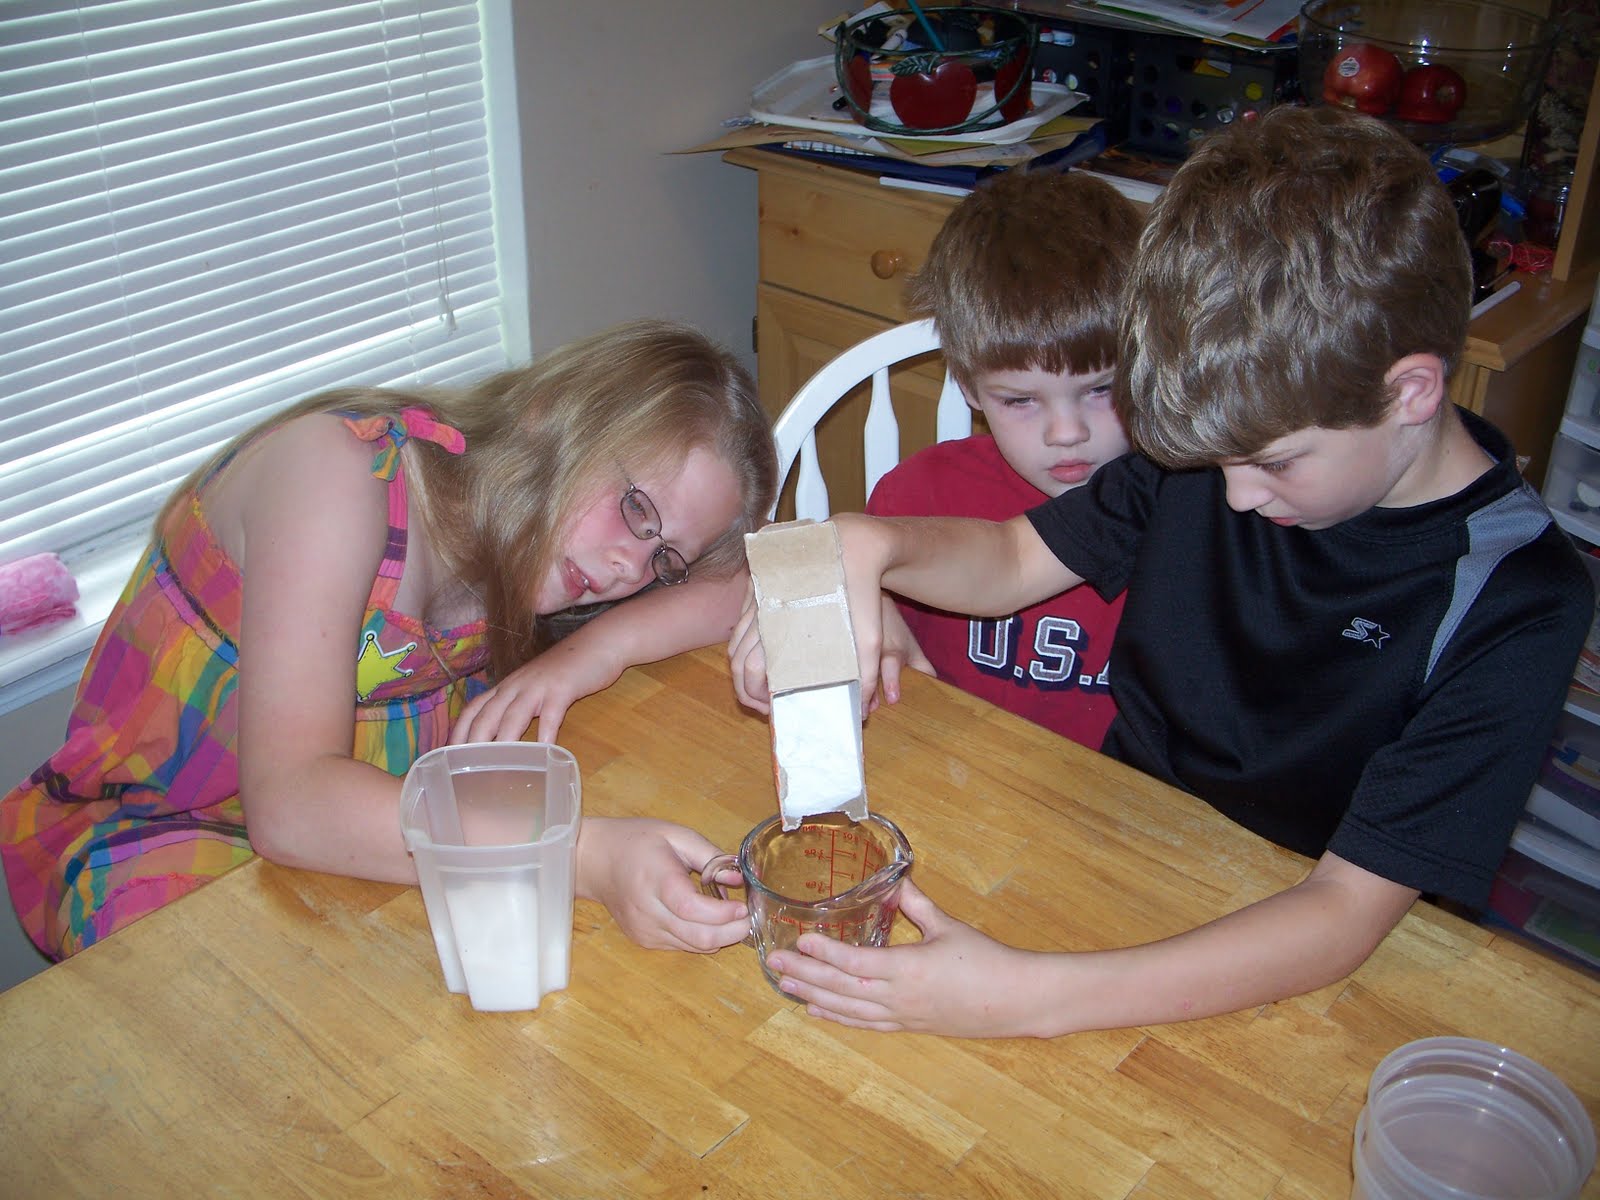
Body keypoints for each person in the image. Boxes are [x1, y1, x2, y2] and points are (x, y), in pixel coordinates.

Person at [728, 106, 1594, 1039]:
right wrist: (869, 541)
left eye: (1273, 463)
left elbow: (1344, 912)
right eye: (1210, 460)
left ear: (1410, 392)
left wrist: (1030, 1000)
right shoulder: (1222, 446)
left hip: (1296, 953)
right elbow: (1017, 557)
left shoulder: (1520, 600)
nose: (1231, 498)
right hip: (1116, 850)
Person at [2, 319, 778, 960]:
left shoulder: (540, 542)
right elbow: (294, 805)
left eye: (662, 558)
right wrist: (580, 856)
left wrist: (593, 652)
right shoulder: (334, 476)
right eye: (636, 510)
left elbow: (752, 581)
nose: (627, 567)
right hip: (157, 839)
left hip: (376, 831)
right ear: (550, 413)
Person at [866, 168, 1140, 748]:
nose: (1066, 433)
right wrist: (872, 608)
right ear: (967, 386)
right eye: (1019, 400)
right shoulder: (914, 500)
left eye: (1100, 389)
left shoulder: (1189, 505)